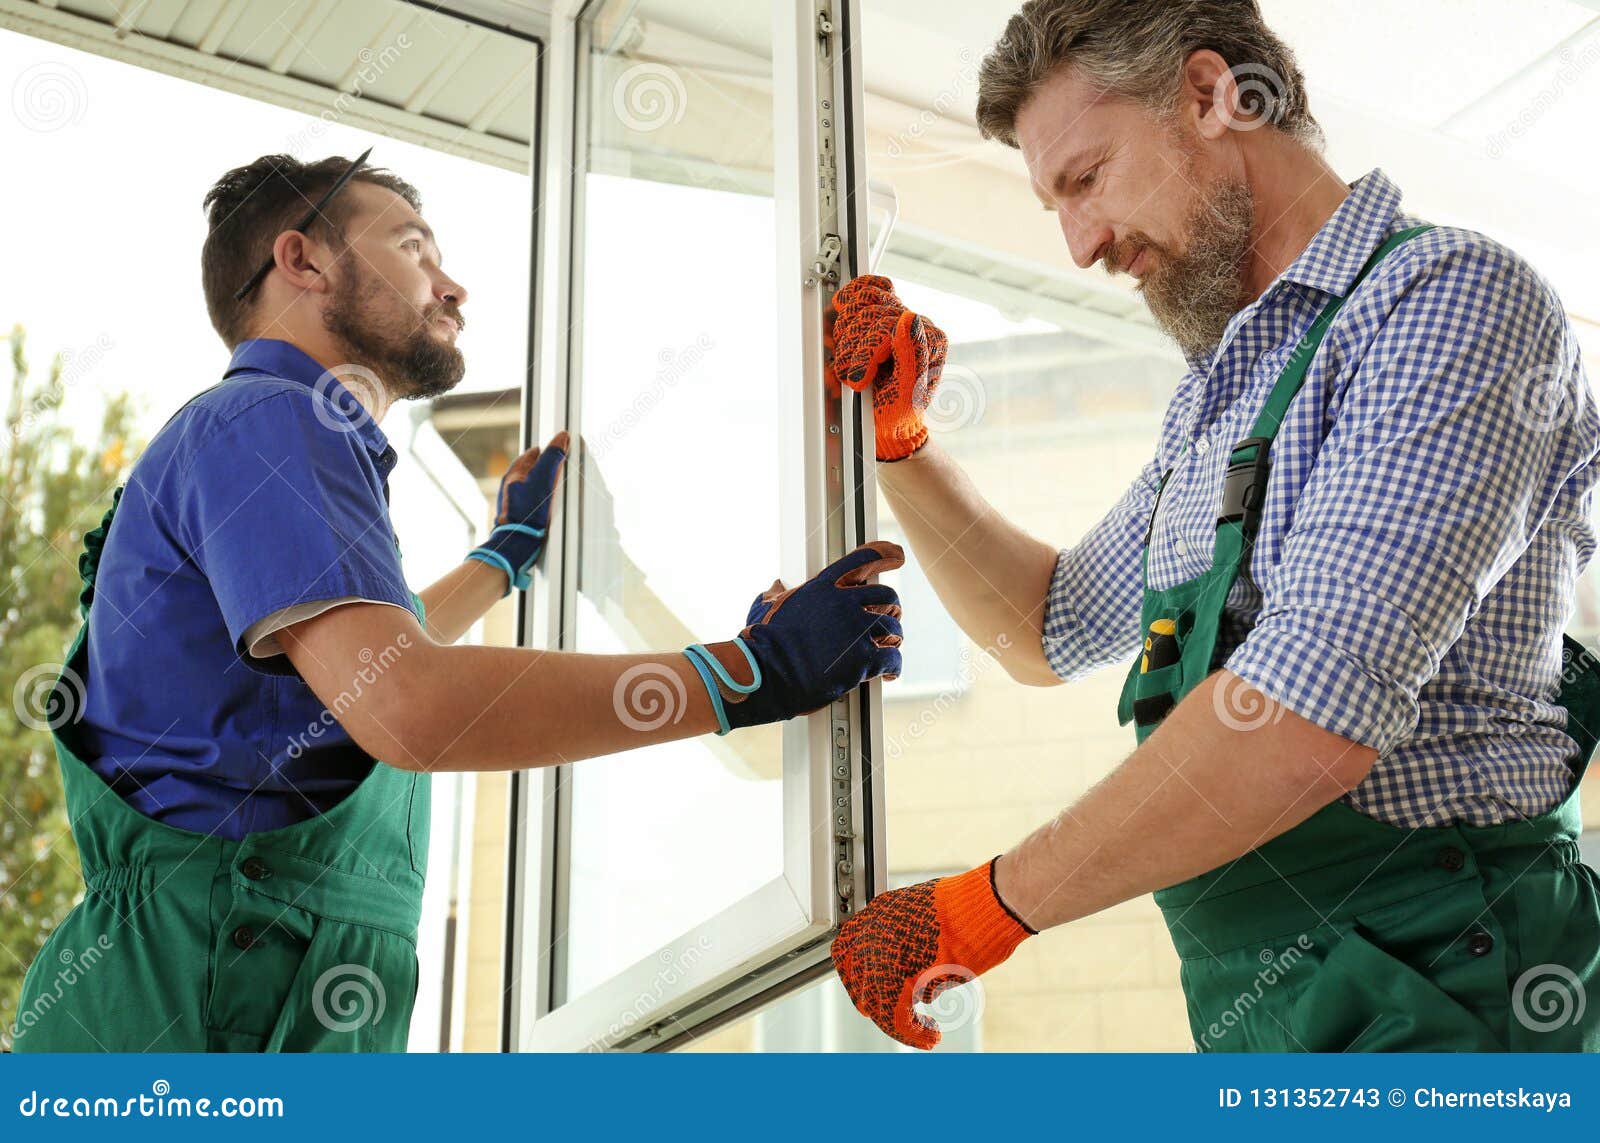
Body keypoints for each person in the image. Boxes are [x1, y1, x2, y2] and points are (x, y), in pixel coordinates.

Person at [829, 0, 1600, 1052]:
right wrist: (898, 436)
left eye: (1084, 179)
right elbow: (1044, 627)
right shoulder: (1224, 397)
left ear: (1209, 95)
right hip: (1285, 1015)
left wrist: (980, 908)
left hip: (1451, 993)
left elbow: (1302, 719)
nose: (1081, 244)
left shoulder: (1447, 305)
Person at [12, 152, 904, 1052]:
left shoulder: (261, 437)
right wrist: (755, 672)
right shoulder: (272, 420)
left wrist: (504, 556)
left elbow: (368, 664)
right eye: (414, 247)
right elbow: (407, 705)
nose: (454, 286)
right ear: (304, 262)